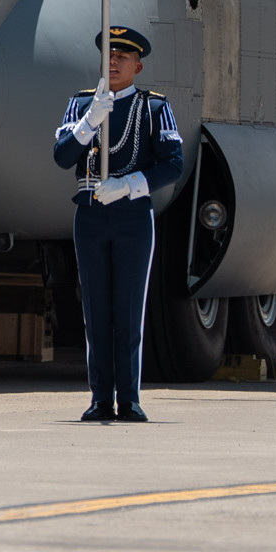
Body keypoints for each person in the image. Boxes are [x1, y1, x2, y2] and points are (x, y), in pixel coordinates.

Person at [53, 25, 185, 424]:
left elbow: (173, 164)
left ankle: (128, 397)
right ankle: (99, 397)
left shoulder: (153, 107)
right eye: (108, 56)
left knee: (127, 309)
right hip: (91, 214)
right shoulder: (81, 105)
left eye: (122, 57)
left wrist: (129, 185)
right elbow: (62, 157)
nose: (113, 62)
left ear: (137, 65)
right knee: (96, 310)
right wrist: (90, 121)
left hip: (131, 217)